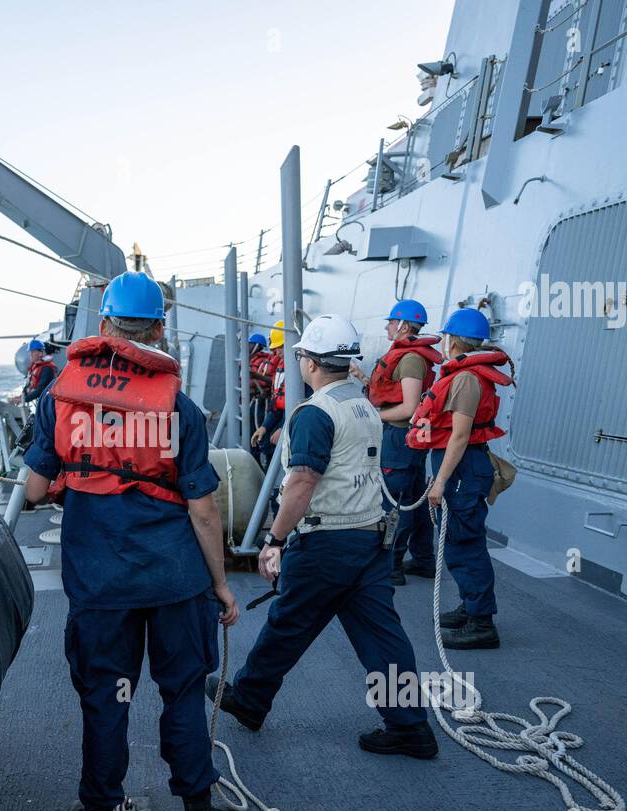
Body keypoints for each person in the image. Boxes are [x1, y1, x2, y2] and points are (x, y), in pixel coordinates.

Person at [23, 271, 244, 811]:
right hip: (175, 581)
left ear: (103, 326)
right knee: (182, 697)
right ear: (159, 329)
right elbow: (203, 508)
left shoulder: (58, 400)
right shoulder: (180, 407)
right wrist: (220, 584)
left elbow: (38, 488)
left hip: (101, 584)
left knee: (105, 700)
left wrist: (82, 480)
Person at [208, 314, 438, 759]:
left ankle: (250, 700)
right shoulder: (364, 404)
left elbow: (301, 483)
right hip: (370, 541)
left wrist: (273, 540)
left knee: (288, 622)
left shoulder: (316, 413)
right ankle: (411, 727)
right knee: (383, 636)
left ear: (310, 362)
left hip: (327, 543)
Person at [407, 307, 514, 650]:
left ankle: (482, 623)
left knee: (465, 545)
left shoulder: (466, 380)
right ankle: (471, 608)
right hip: (461, 469)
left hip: (462, 471)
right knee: (457, 542)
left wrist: (439, 482)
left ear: (453, 342)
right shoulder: (466, 376)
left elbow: (460, 436)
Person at [350, 300, 441, 586]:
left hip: (400, 439)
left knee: (395, 502)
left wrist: (375, 415)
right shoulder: (407, 357)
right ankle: (424, 559)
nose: (387, 326)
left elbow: (410, 408)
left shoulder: (411, 359)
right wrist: (362, 377)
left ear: (402, 325)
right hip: (407, 439)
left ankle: (392, 565)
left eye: (391, 322)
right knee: (414, 499)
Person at [250, 320, 286, 467]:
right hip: (278, 413)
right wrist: (264, 427)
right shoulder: (282, 366)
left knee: (271, 444)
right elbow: (278, 404)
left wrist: (282, 429)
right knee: (264, 441)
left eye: (279, 347)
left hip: (289, 420)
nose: (275, 352)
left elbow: (300, 404)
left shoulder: (300, 370)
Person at [14, 339, 57, 405]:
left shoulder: (47, 369)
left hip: (47, 403)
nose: (30, 354)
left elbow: (41, 389)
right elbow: (29, 384)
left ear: (40, 353)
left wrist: (25, 399)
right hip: (39, 401)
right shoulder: (34, 366)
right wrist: (21, 396)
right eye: (30, 352)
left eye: (32, 351)